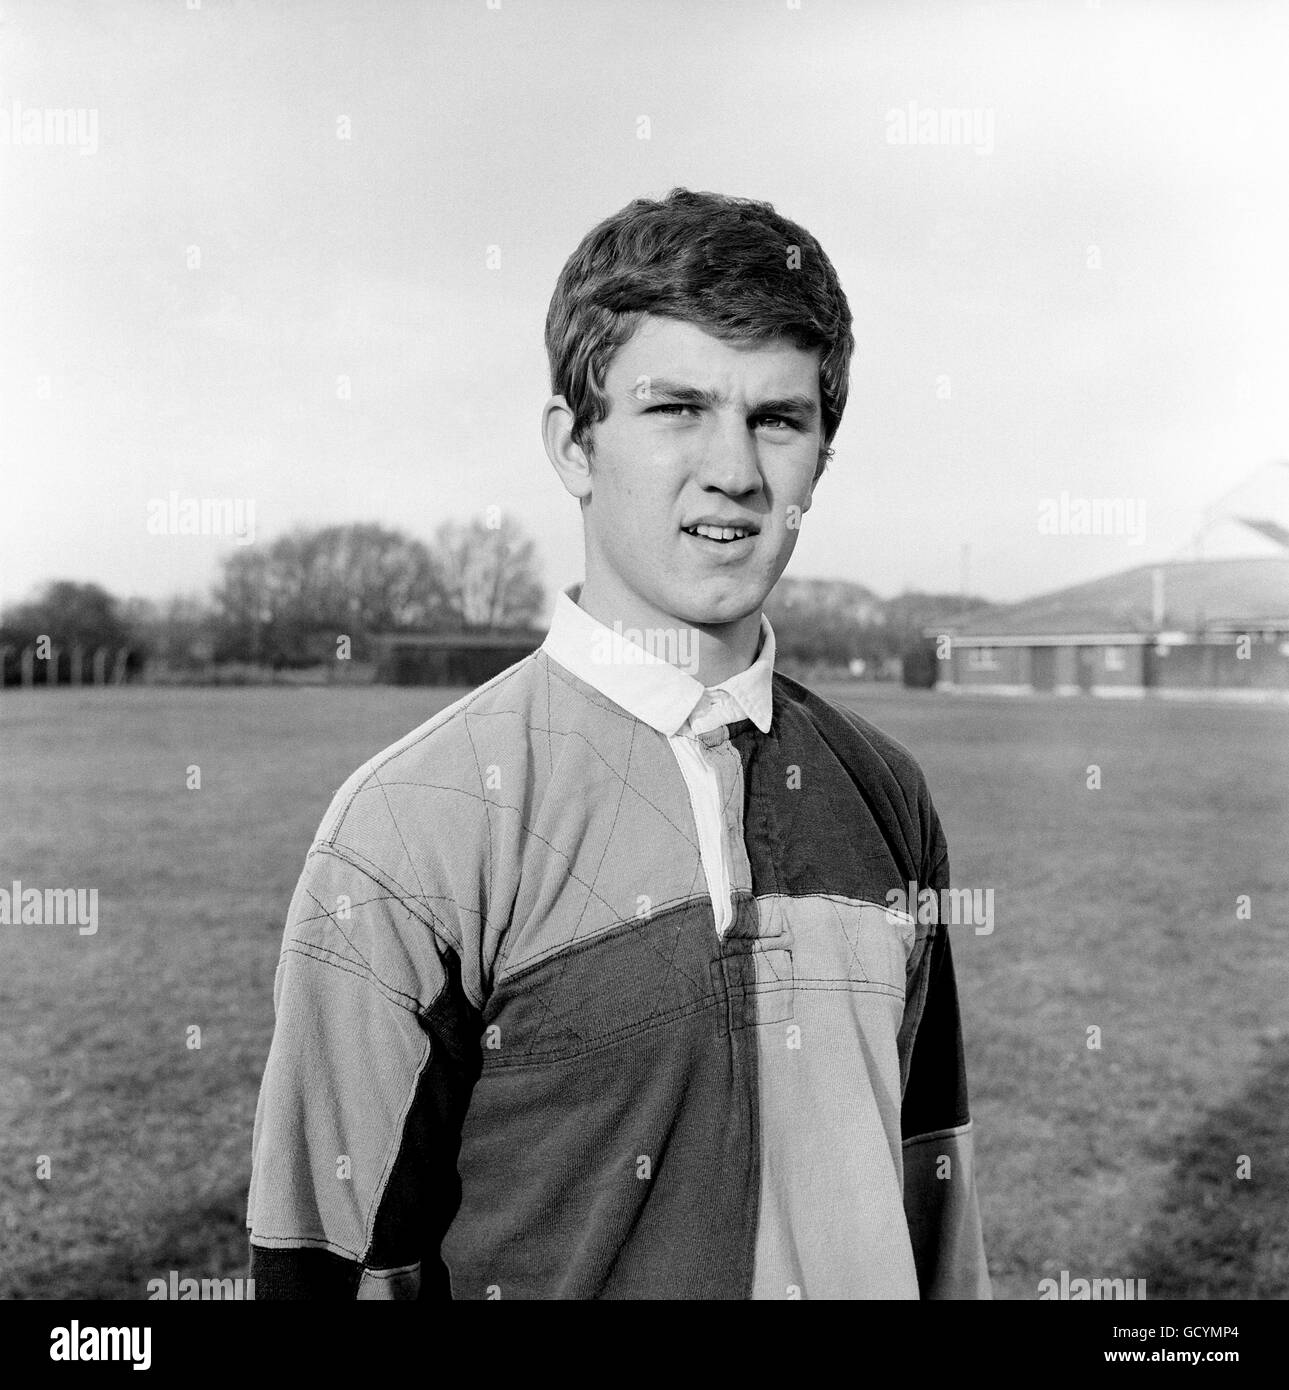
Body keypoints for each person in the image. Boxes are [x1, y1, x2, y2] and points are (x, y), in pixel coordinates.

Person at [246, 187, 991, 1300]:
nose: (733, 470)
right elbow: (330, 1264)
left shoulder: (884, 793)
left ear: (818, 461)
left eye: (777, 419)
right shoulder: (412, 826)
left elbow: (935, 1209)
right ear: (573, 445)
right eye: (676, 407)